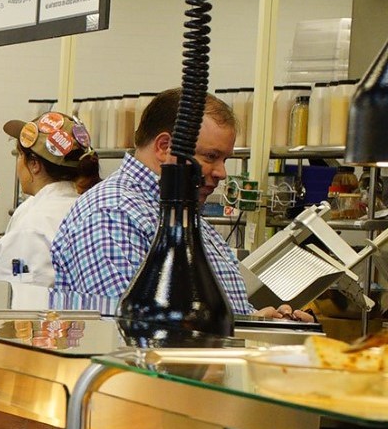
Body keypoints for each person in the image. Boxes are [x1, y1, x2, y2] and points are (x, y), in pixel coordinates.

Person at [51, 88, 312, 320]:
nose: (222, 173)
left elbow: (206, 316)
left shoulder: (181, 216)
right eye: (211, 156)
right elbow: (129, 327)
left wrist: (257, 322)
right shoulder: (112, 214)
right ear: (164, 147)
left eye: (225, 159)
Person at [0, 112, 98, 290]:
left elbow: (17, 297)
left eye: (20, 156)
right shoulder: (84, 206)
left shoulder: (33, 226)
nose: (18, 164)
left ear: (34, 164)